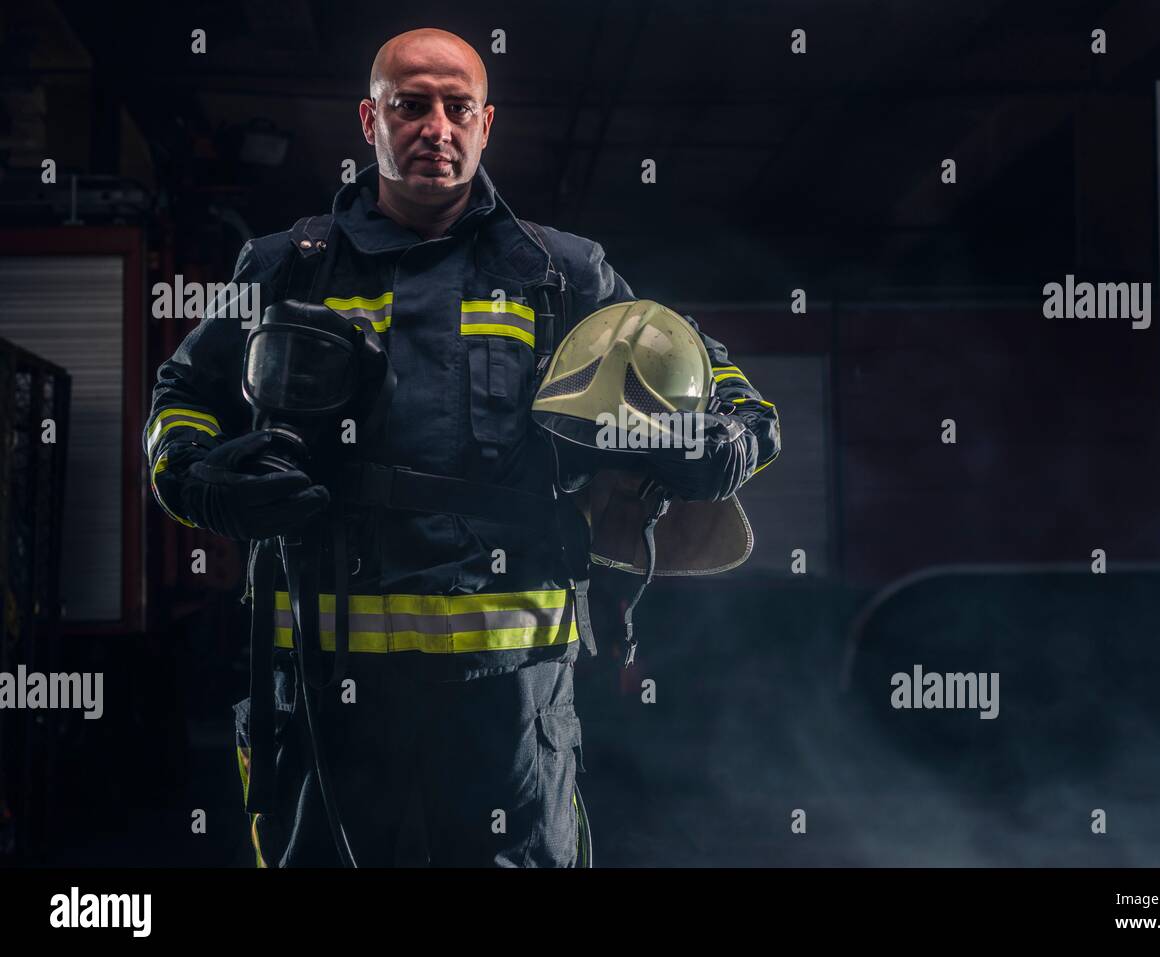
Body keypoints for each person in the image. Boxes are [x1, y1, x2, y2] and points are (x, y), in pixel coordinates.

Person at [143, 27, 780, 867]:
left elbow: (713, 377)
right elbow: (182, 397)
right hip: (326, 706)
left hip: (509, 712)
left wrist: (728, 437)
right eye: (410, 105)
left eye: (457, 107)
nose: (434, 126)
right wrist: (196, 475)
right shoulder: (285, 269)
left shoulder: (562, 275)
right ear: (370, 120)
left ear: (487, 125)